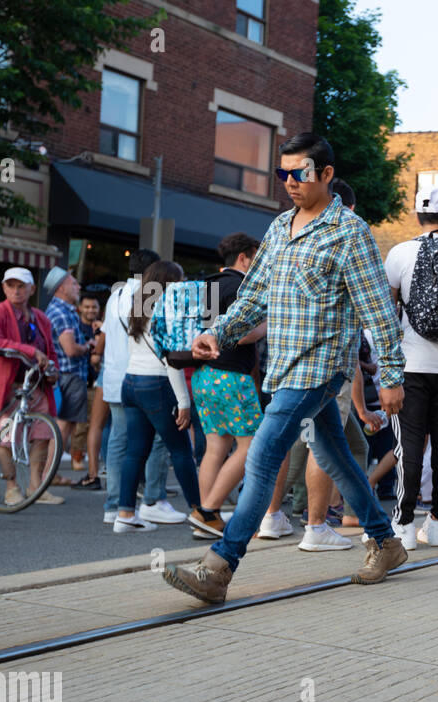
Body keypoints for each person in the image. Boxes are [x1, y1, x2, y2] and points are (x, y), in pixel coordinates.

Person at [163, 132, 408, 602]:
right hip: (282, 368)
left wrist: (392, 375)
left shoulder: (349, 233)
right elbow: (253, 295)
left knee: (261, 457)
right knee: (336, 456)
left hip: (320, 368)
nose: (290, 182)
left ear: (327, 175)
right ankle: (386, 540)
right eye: (284, 174)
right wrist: (220, 332)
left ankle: (218, 568)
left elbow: (378, 308)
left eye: (301, 173)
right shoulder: (279, 228)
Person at [384, 185, 438, 550]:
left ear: (418, 217)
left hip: (411, 364)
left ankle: (403, 525)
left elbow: (386, 310)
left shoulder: (400, 253)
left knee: (409, 445)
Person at [112, 260, 209, 533]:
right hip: (158, 383)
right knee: (181, 451)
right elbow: (172, 361)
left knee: (134, 451)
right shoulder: (170, 310)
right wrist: (184, 403)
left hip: (130, 383)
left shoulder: (137, 307)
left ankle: (125, 514)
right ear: (170, 283)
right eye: (181, 279)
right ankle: (200, 513)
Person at [189, 232, 266, 539]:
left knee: (215, 446)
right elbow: (242, 333)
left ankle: (206, 518)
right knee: (251, 446)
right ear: (243, 258)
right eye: (256, 257)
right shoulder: (240, 286)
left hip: (205, 375)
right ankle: (209, 509)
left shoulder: (208, 285)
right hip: (233, 376)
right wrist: (268, 323)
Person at [101, 249, 177, 525]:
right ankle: (153, 499)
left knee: (119, 441)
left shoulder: (115, 296)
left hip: (115, 378)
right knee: (158, 439)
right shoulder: (147, 297)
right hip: (144, 376)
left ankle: (114, 504)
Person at [0, 267, 61, 507]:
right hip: (5, 386)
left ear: (32, 289)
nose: (16, 290)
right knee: (6, 438)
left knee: (43, 435)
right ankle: (11, 487)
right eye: (11, 285)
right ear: (4, 288)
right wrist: (30, 350)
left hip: (35, 385)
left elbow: (50, 350)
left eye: (21, 286)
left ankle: (36, 486)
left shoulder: (41, 318)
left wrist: (53, 369)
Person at [44, 266, 91, 480]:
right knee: (62, 426)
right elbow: (70, 349)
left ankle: (48, 474)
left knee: (62, 425)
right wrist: (89, 346)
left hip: (64, 375)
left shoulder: (59, 309)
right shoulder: (62, 313)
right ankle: (49, 475)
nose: (78, 286)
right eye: (73, 283)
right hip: (69, 375)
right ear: (61, 288)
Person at [73, 291, 106, 490]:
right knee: (81, 423)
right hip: (82, 379)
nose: (90, 310)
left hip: (99, 380)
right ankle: (77, 456)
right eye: (86, 307)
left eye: (94, 307)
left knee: (94, 423)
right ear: (80, 309)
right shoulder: (77, 327)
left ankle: (91, 461)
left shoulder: (102, 326)